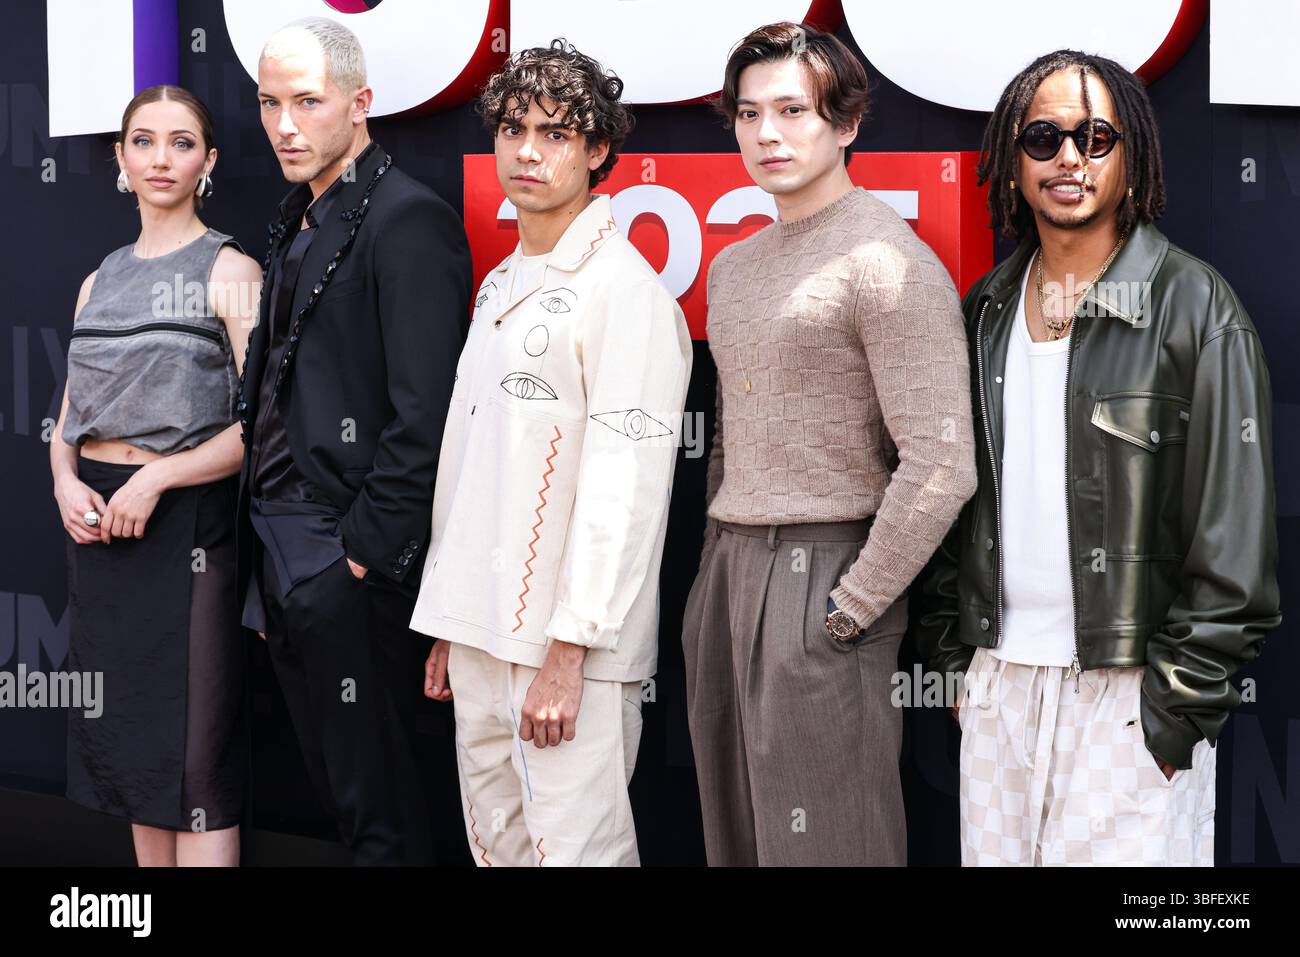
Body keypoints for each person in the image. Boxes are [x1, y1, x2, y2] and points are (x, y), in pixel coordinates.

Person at [914, 50, 1281, 866]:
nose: (1069, 158)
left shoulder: (1194, 307)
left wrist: (1171, 711)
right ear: (1013, 158)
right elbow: (949, 497)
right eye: (1043, 136)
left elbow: (1235, 548)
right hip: (1000, 686)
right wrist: (958, 667)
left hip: (1129, 694)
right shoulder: (986, 312)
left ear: (1132, 156)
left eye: (1096, 136)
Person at [681, 22, 977, 866]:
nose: (766, 133)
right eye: (747, 114)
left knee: (829, 845)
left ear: (845, 124)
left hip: (828, 571)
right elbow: (733, 440)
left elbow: (941, 459)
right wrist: (713, 581)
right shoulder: (734, 268)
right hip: (730, 573)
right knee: (735, 838)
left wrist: (849, 609)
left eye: (791, 110)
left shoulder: (887, 259)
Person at [411, 39, 692, 867]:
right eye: (512, 128)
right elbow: (470, 466)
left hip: (570, 653)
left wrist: (570, 651)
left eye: (556, 133)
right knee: (494, 850)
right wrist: (449, 620)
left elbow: (626, 488)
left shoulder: (626, 290)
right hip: (478, 635)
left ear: (598, 150)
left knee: (580, 857)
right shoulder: (500, 281)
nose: (528, 151)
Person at [236, 17, 472, 866]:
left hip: (345, 564)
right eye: (269, 102)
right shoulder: (300, 214)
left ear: (360, 103)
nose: (285, 124)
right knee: (345, 803)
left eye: (308, 101)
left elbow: (428, 413)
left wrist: (359, 558)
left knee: (382, 816)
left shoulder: (407, 219)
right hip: (281, 556)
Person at [52, 84, 261, 866]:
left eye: (181, 142)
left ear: (207, 161)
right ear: (120, 158)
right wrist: (67, 485)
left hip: (191, 533)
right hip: (102, 536)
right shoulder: (97, 281)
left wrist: (160, 478)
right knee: (138, 756)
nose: (160, 158)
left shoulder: (230, 268)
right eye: (144, 140)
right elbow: (67, 422)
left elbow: (262, 426)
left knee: (195, 756)